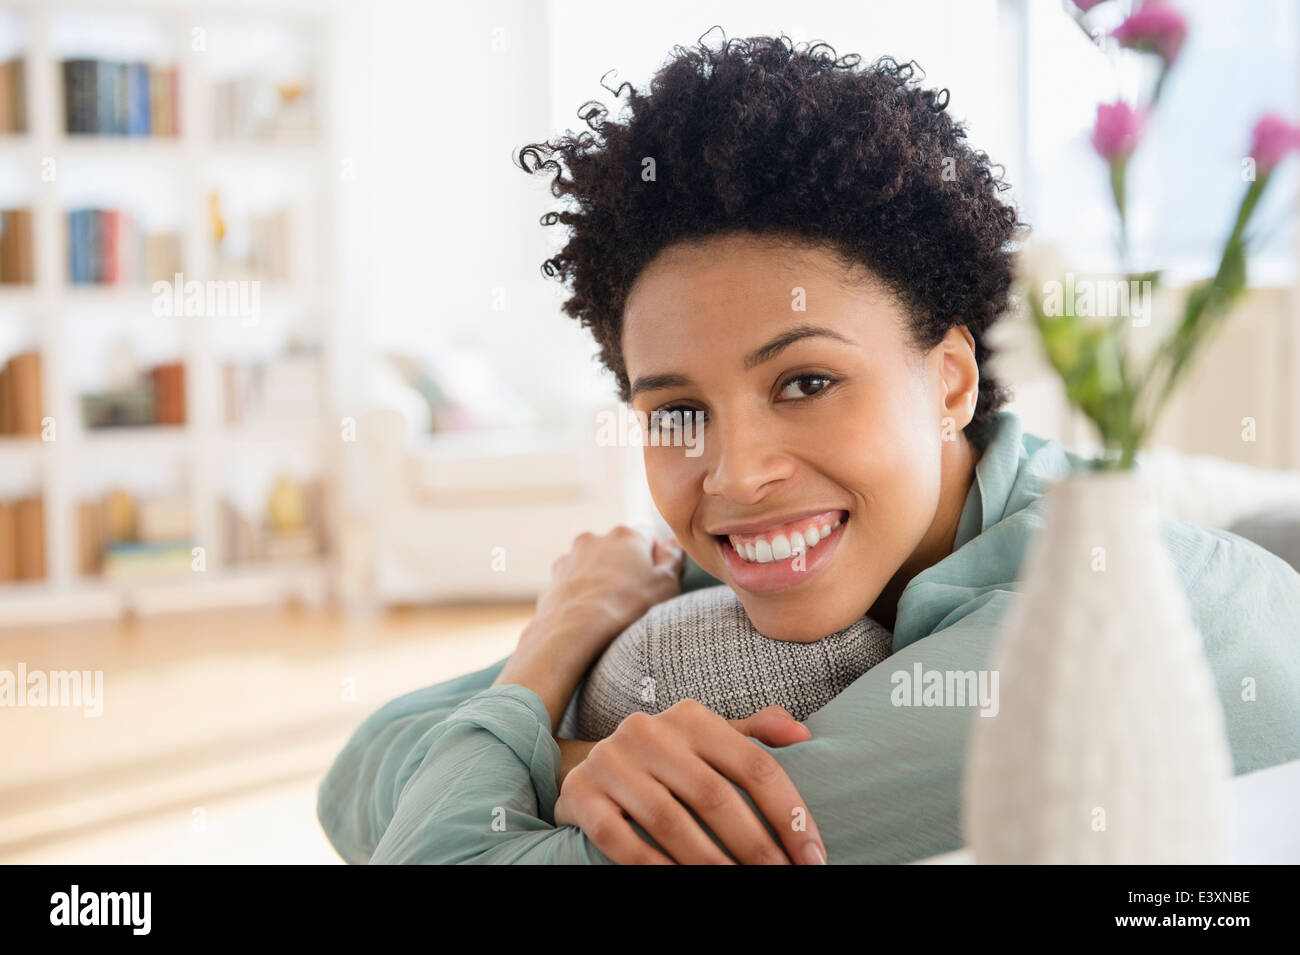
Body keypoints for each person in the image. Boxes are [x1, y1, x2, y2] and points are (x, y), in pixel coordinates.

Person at [316, 32, 1300, 864]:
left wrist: (553, 749)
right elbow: (360, 767)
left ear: (951, 379)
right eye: (677, 412)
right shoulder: (752, 568)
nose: (738, 476)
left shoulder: (1073, 630)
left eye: (806, 383)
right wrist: (553, 643)